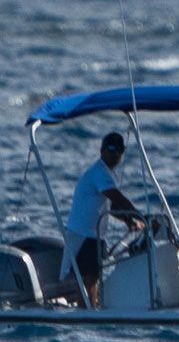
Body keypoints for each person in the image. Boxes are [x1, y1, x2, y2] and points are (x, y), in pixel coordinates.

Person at [61, 131, 144, 309]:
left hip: (95, 234)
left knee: (94, 276)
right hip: (84, 233)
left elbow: (111, 207)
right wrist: (141, 216)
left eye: (119, 151)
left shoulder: (108, 174)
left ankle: (91, 307)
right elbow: (117, 199)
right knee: (88, 277)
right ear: (102, 151)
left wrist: (129, 221)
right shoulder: (99, 172)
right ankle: (86, 313)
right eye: (111, 149)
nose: (115, 155)